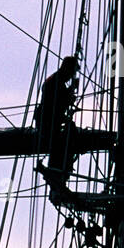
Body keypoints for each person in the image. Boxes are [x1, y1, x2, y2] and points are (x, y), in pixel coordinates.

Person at [33, 55, 79, 184]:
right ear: (67, 69)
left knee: (68, 135)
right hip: (48, 122)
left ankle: (60, 171)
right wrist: (70, 92)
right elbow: (55, 105)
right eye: (72, 72)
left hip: (50, 120)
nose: (72, 76)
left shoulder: (56, 81)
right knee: (60, 143)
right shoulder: (55, 82)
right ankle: (57, 172)